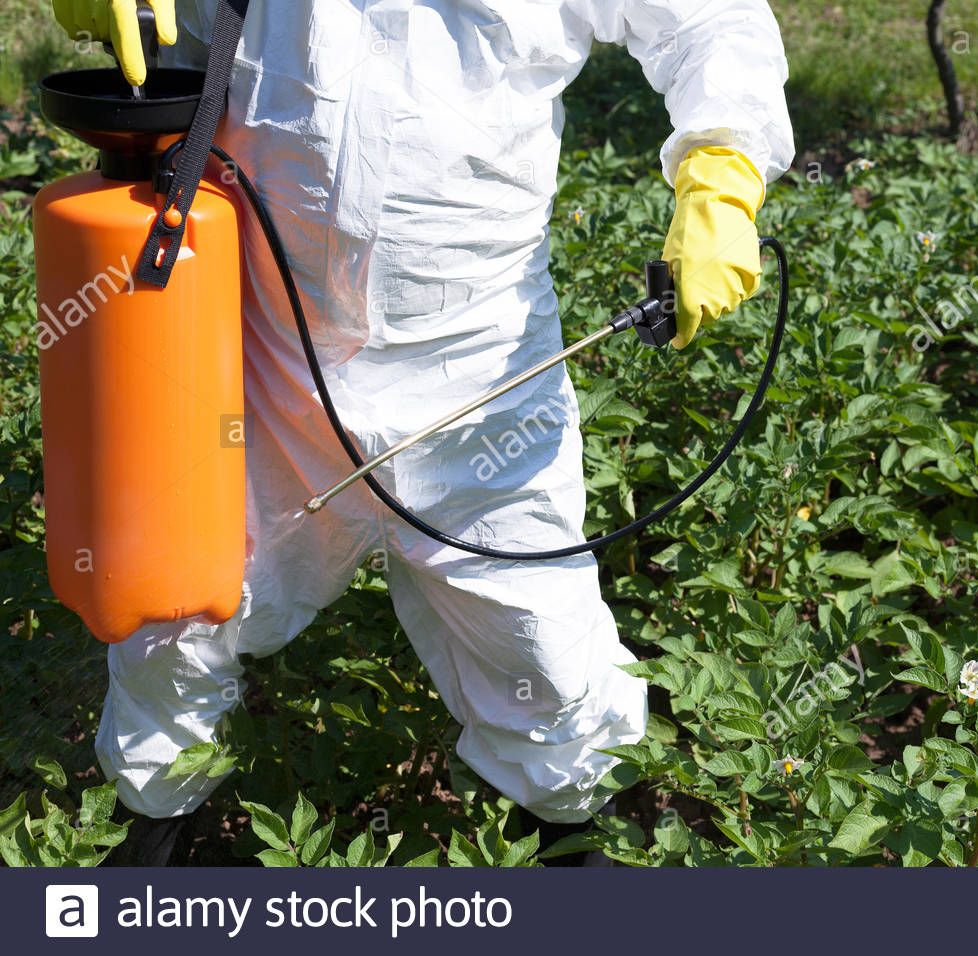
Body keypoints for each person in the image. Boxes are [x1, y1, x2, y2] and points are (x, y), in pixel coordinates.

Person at [51, 0, 794, 865]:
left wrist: (724, 166)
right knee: (170, 605)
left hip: (480, 374)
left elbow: (708, 22)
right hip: (258, 343)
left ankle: (572, 845)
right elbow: (183, 31)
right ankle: (147, 842)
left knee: (541, 646)